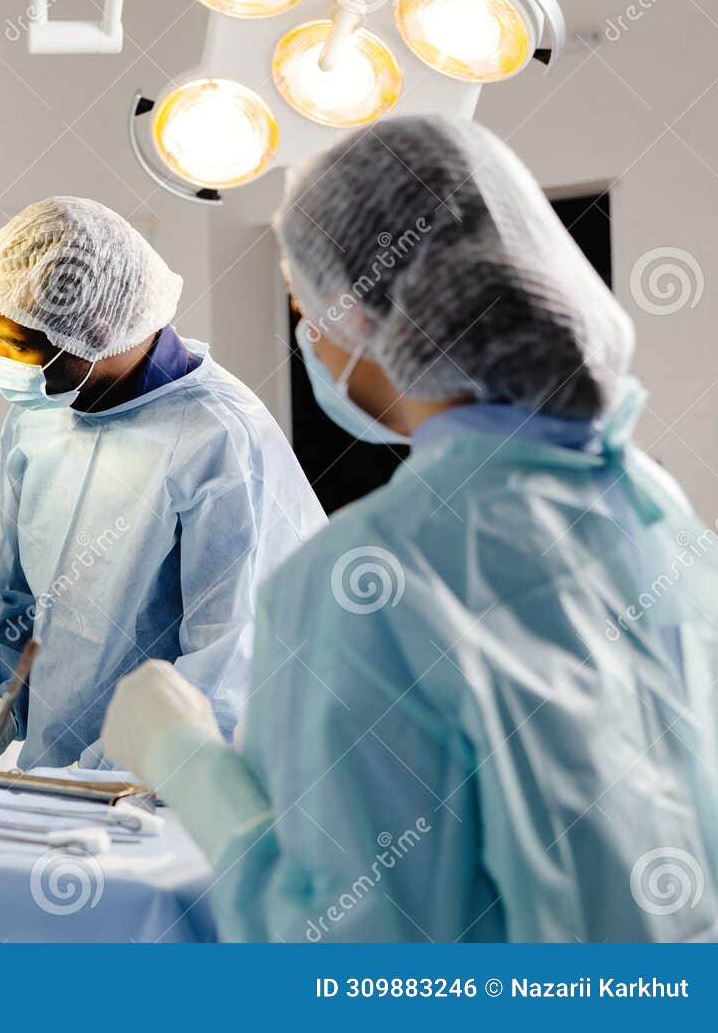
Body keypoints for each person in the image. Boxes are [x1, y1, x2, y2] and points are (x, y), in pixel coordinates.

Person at [103, 116, 718, 941]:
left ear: (366, 318)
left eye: (301, 299)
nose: (303, 332)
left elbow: (352, 961)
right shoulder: (647, 503)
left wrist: (191, 767)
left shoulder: (370, 578)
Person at [0, 196, 324, 775]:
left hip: (170, 790)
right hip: (53, 781)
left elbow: (227, 669)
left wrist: (101, 778)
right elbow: (18, 599)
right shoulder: (41, 411)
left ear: (95, 331)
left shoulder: (219, 440)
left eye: (19, 345)